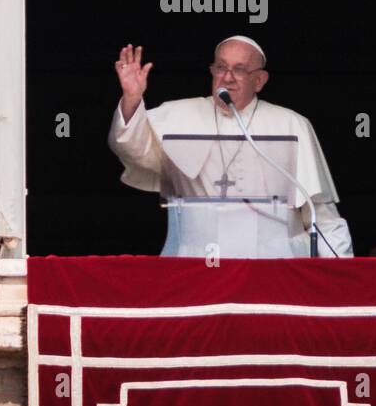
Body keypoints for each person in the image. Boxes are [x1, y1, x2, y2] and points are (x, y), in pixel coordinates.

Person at [108, 36, 353, 257]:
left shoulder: (291, 125)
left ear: (259, 80)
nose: (227, 77)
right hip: (196, 261)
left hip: (276, 264)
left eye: (239, 70)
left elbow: (322, 218)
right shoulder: (178, 113)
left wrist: (344, 282)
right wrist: (132, 98)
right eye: (221, 67)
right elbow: (133, 149)